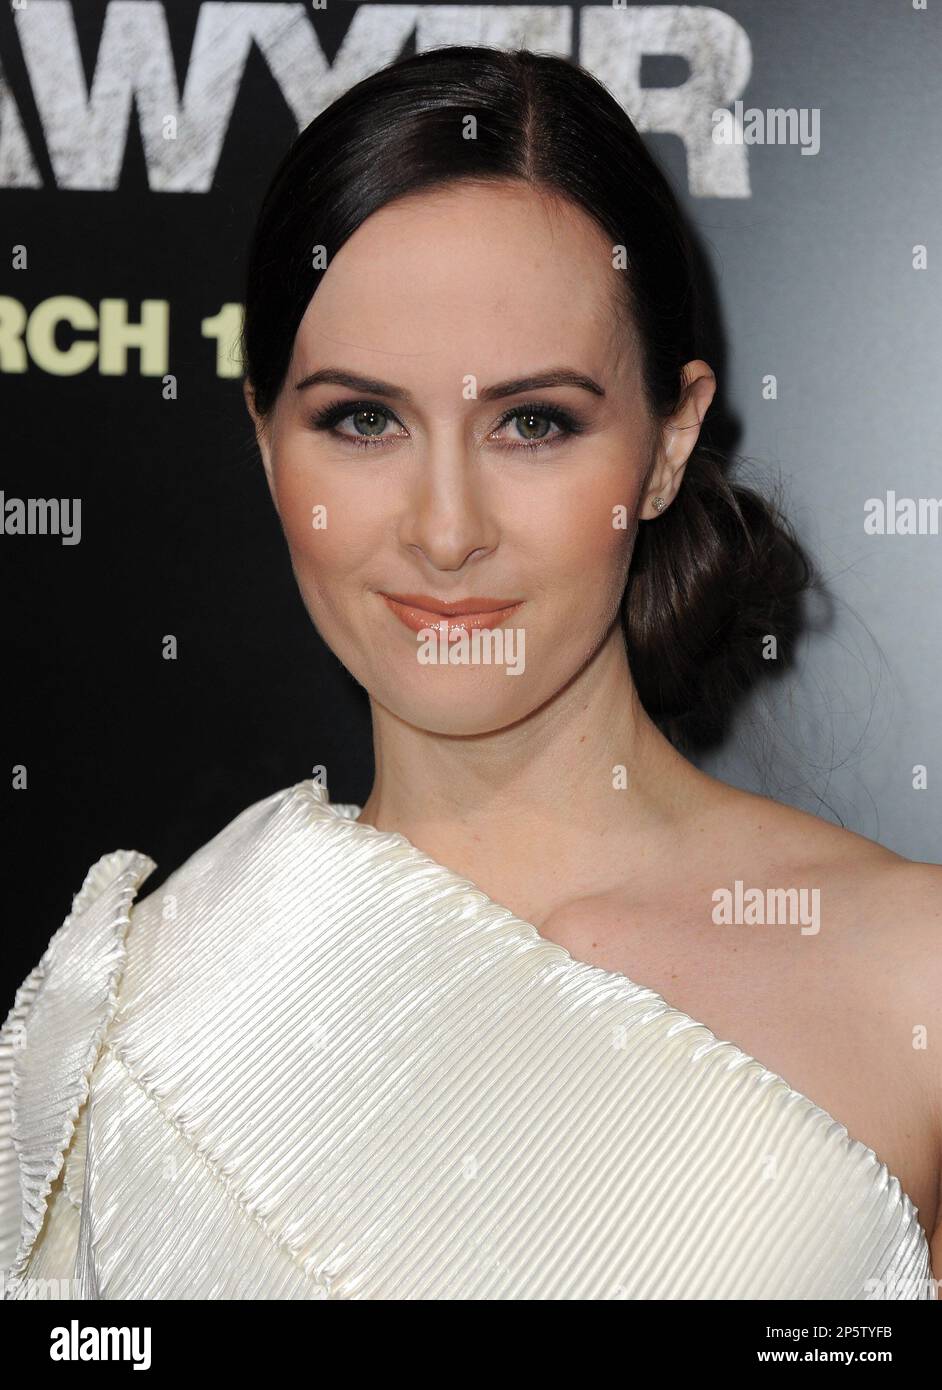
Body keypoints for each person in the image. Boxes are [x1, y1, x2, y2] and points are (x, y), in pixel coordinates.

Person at [2, 45, 939, 1301]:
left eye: (534, 422)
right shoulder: (130, 1012)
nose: (446, 530)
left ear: (667, 444)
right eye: (362, 420)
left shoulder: (912, 979)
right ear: (265, 442)